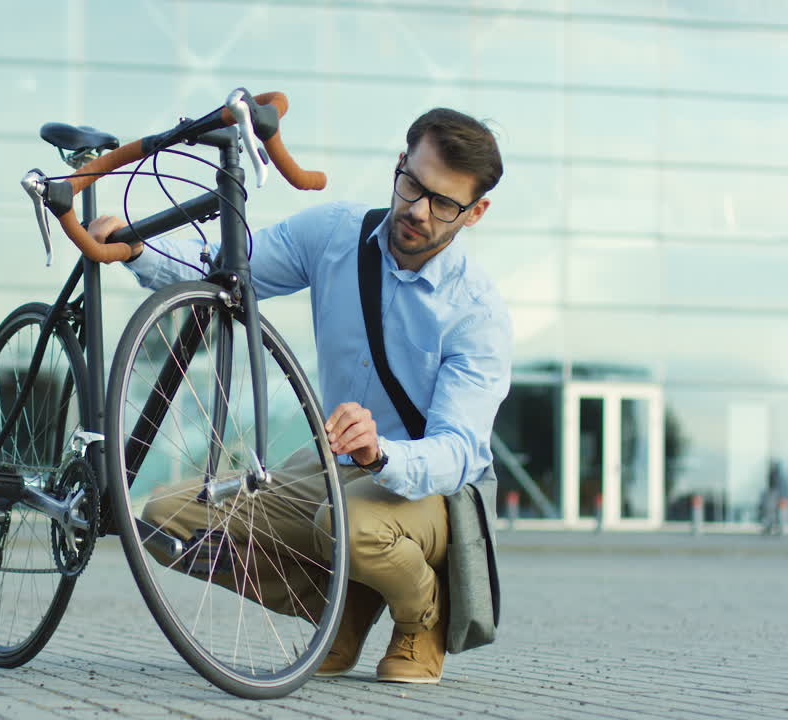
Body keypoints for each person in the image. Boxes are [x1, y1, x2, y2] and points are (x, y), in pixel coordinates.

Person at [89, 108, 510, 684]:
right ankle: (344, 608)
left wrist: (382, 455)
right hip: (332, 471)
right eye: (412, 184)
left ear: (476, 212)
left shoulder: (476, 312)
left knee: (348, 526)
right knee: (168, 521)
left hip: (428, 491)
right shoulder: (338, 234)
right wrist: (139, 249)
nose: (417, 210)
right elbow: (230, 265)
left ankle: (423, 616)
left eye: (444, 203)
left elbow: (459, 450)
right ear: (400, 165)